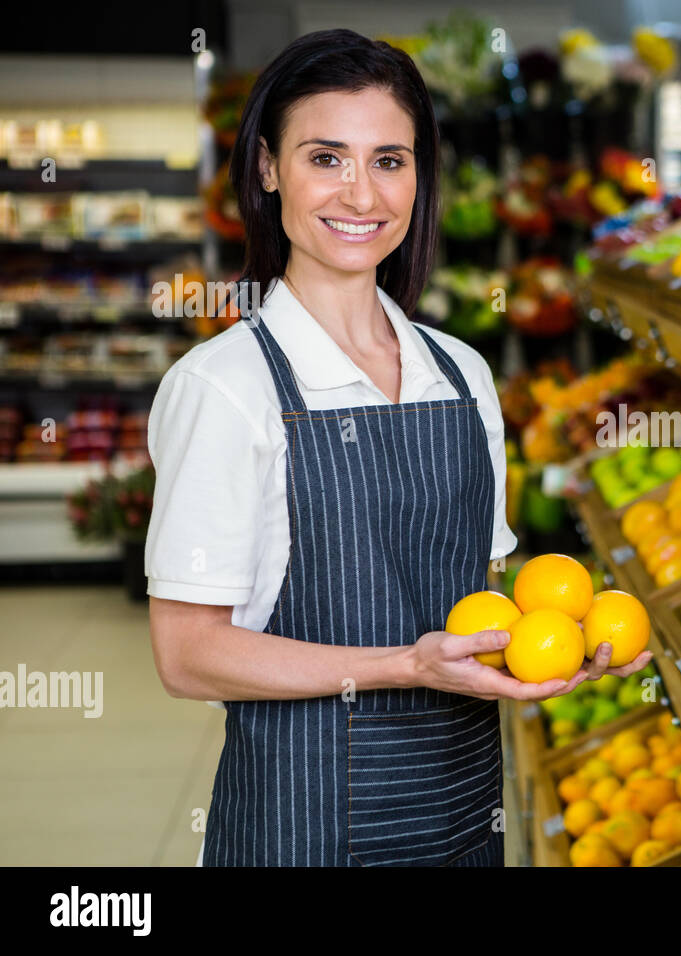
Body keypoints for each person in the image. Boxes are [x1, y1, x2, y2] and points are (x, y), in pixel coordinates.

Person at [145, 29, 650, 867]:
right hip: (297, 823)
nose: (361, 193)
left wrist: (554, 635)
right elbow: (187, 654)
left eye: (389, 160)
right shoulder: (226, 387)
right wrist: (408, 665)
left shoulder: (462, 375)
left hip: (459, 810)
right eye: (325, 157)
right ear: (269, 169)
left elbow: (473, 595)